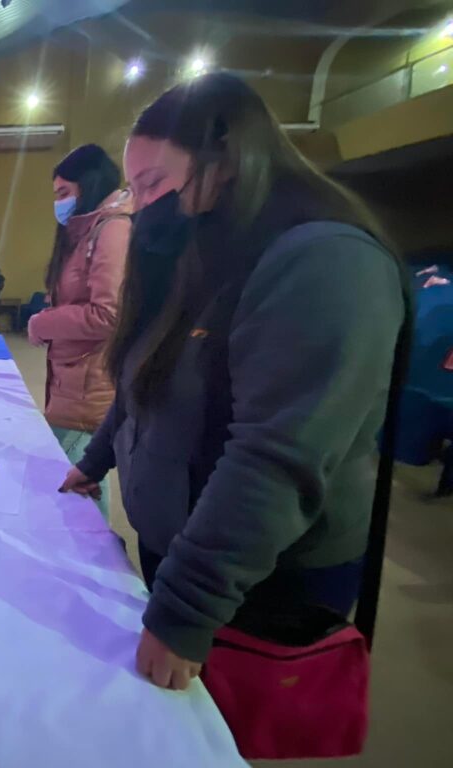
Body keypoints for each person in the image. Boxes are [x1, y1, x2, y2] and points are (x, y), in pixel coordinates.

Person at [59, 73, 405, 690]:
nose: (141, 206)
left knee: (219, 732)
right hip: (181, 544)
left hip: (261, 578)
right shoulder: (205, 251)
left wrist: (185, 612)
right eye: (133, 189)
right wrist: (100, 458)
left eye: (154, 183)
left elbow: (275, 458)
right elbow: (148, 375)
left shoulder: (324, 262)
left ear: (225, 162)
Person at [27, 143, 130, 521]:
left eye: (63, 193)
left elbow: (108, 314)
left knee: (76, 495)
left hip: (89, 392)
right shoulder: (84, 233)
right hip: (69, 382)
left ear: (88, 185)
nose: (58, 203)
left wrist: (43, 323)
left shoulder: (113, 230)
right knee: (73, 488)